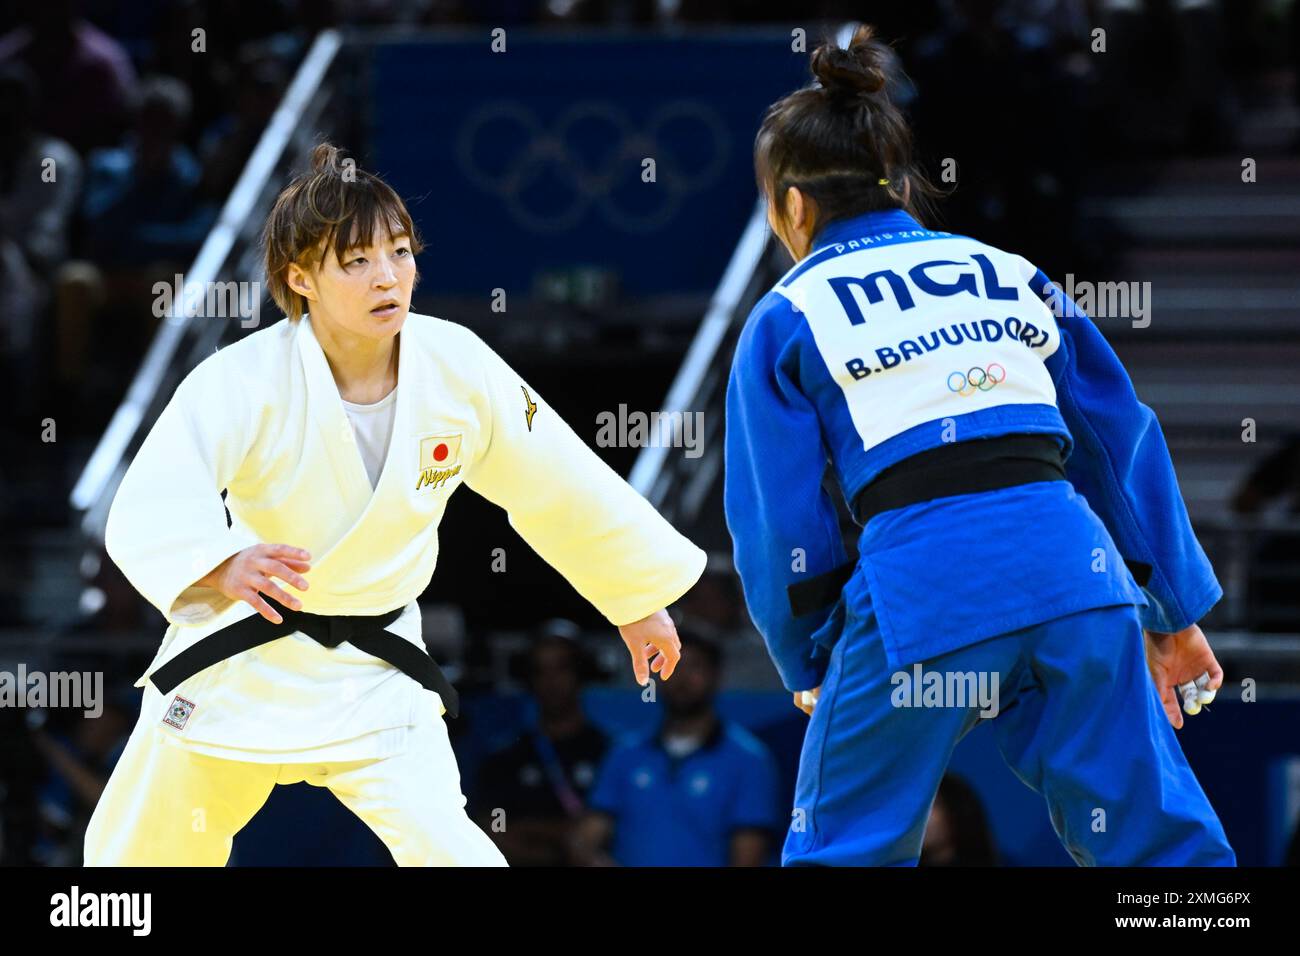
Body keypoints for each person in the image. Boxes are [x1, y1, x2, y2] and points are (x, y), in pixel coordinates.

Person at [84, 143, 705, 866]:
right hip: (242, 658)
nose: (388, 278)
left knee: (455, 854)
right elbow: (156, 493)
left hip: (376, 671)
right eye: (356, 262)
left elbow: (557, 480)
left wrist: (634, 597)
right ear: (299, 278)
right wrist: (221, 562)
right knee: (139, 855)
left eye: (400, 253)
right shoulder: (243, 379)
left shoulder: (457, 365)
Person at [724, 25, 1234, 867]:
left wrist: (805, 653)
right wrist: (1171, 611)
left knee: (845, 848)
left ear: (793, 206)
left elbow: (781, 523)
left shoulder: (788, 311)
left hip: (922, 585)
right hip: (1076, 570)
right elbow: (1116, 442)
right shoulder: (1008, 270)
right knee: (1157, 841)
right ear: (902, 187)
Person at [573, 633, 780, 867]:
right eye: (670, 664)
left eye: (694, 666)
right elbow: (585, 842)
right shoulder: (625, 753)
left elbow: (748, 858)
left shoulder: (749, 760)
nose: (680, 677)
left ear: (716, 676)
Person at [473, 624, 610, 866]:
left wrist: (530, 828)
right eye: (540, 671)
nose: (551, 681)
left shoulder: (609, 752)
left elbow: (615, 830)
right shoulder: (505, 757)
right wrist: (567, 846)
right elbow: (493, 829)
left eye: (561, 668)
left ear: (581, 674)